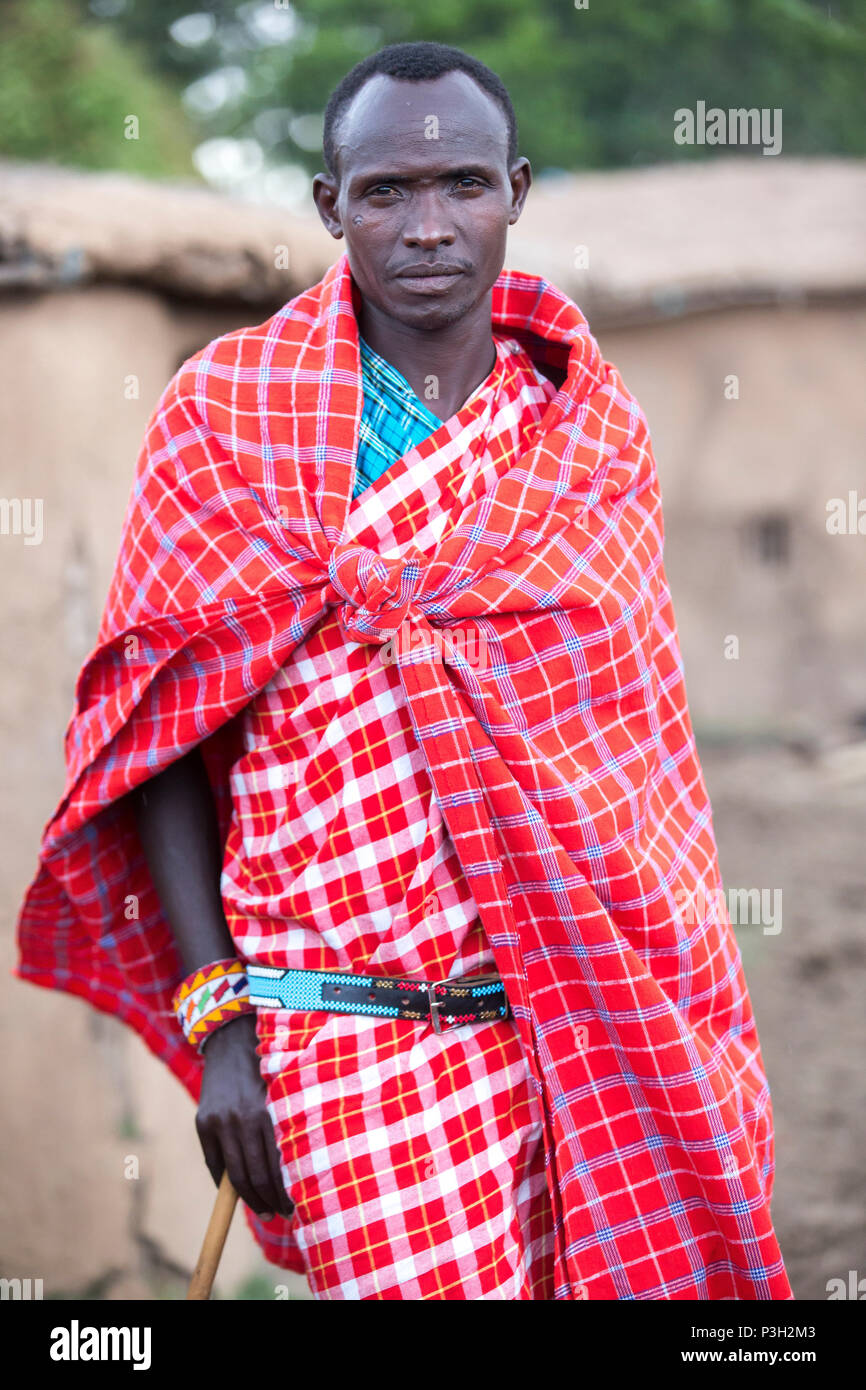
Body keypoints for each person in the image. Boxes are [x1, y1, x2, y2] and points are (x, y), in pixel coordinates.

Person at [16, 40, 793, 1301]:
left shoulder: (583, 444)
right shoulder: (226, 422)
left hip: (578, 1018)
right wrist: (222, 1031)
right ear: (331, 208)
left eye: (462, 186)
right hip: (344, 1036)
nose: (427, 227)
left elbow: (637, 780)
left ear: (516, 192)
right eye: (384, 193)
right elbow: (157, 737)